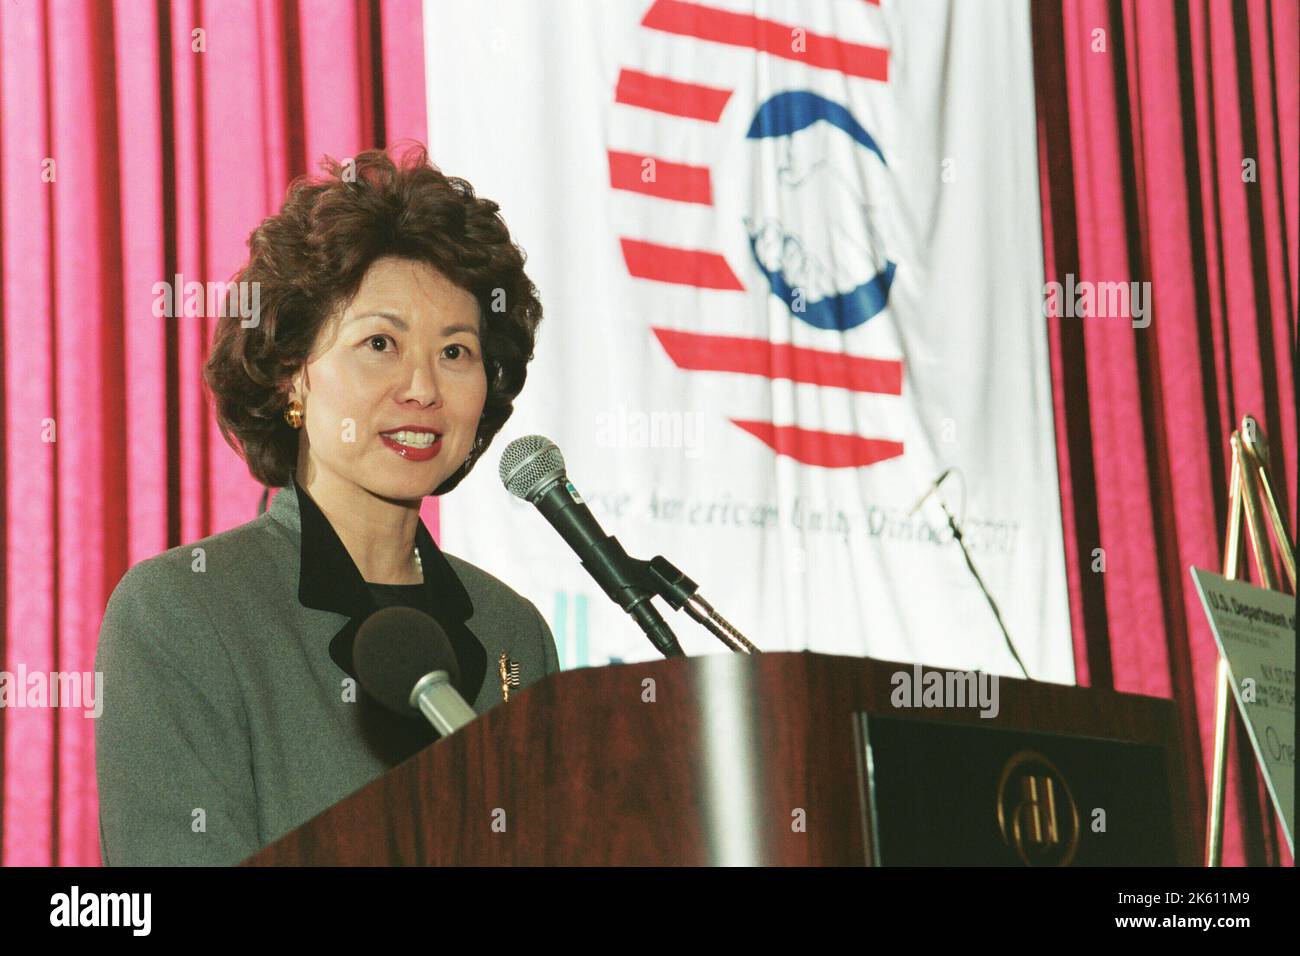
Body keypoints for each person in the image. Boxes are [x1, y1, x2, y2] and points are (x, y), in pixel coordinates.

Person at [95, 144, 559, 866]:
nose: (423, 388)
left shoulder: (512, 635)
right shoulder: (184, 612)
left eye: (457, 352)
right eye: (380, 342)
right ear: (292, 376)